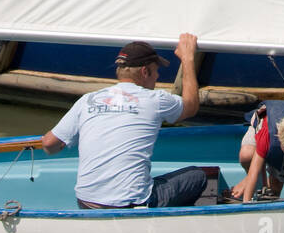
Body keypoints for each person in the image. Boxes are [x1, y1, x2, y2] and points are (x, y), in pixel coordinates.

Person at [41, 35, 207, 209]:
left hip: (86, 203)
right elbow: (191, 106)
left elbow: (49, 143)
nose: (158, 75)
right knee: (198, 176)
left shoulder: (87, 100)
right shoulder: (156, 100)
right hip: (130, 205)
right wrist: (188, 59)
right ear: (145, 72)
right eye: (156, 70)